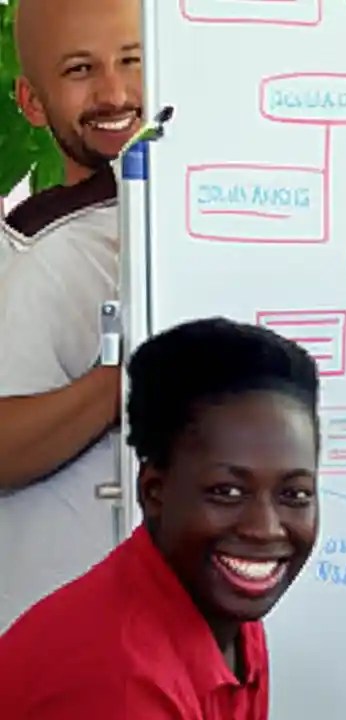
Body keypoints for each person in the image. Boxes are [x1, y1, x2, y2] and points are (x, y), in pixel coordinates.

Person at [0, 317, 321, 719]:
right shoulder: (117, 680)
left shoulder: (226, 609)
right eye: (227, 492)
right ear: (154, 492)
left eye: (294, 494)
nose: (265, 528)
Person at [0, 0, 143, 629]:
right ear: (32, 102)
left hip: (185, 644)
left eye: (132, 60)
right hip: (57, 635)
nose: (114, 92)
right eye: (81, 69)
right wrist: (132, 381)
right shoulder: (40, 251)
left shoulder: (201, 227)